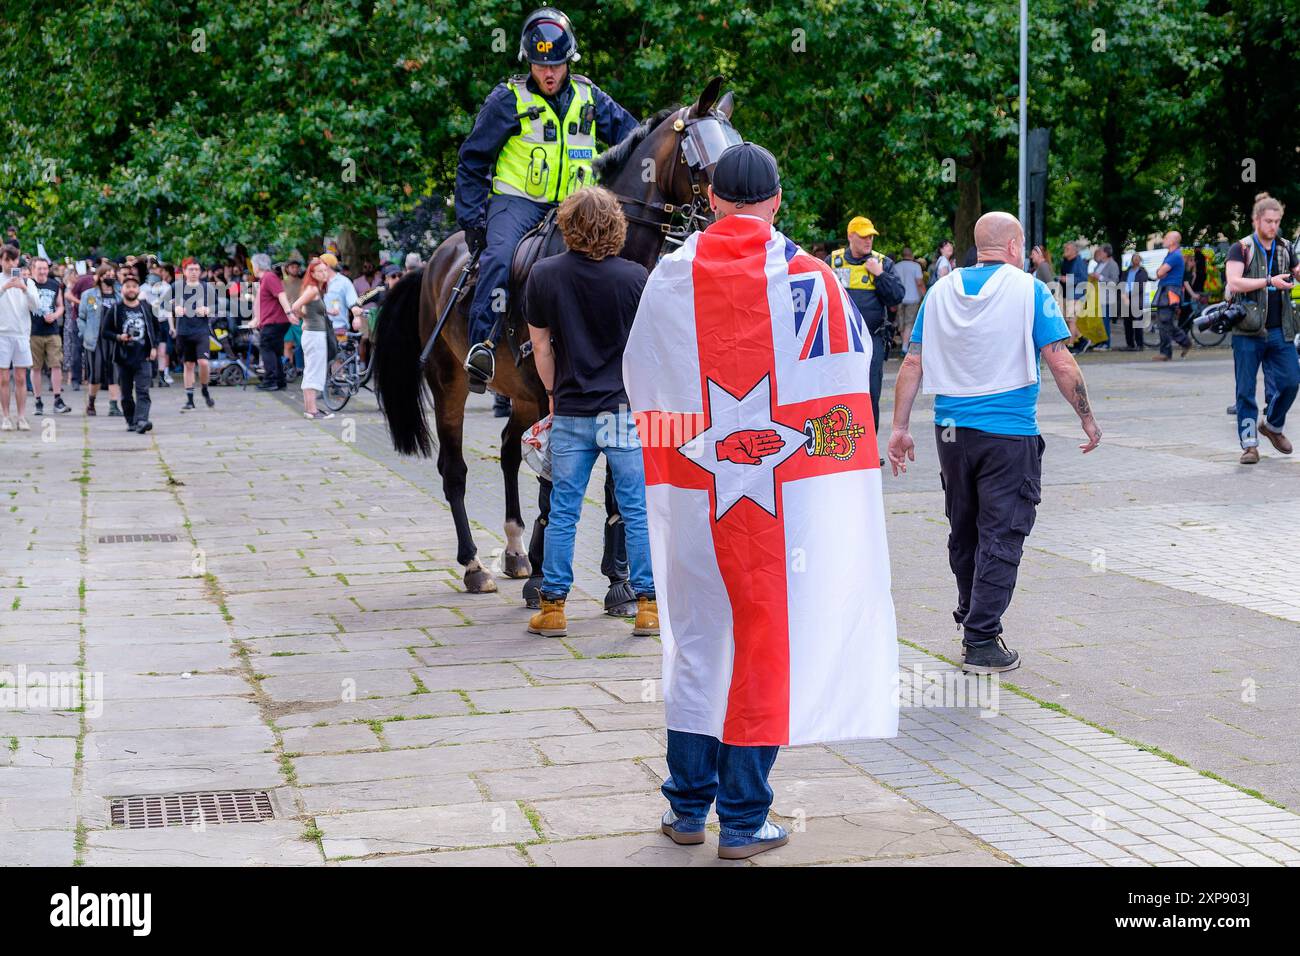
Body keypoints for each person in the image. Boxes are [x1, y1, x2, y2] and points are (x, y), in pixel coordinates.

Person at [624, 143, 899, 860]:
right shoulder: (812, 280)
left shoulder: (669, 278)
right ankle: (744, 820)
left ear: (711, 199)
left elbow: (644, 378)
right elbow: (850, 375)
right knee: (765, 643)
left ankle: (686, 810)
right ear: (777, 199)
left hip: (694, 489)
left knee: (693, 640)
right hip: (783, 504)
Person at [888, 211, 1101, 674]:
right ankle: (982, 640)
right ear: (1012, 246)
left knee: (965, 530)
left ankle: (972, 615)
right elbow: (1061, 361)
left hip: (950, 433)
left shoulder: (939, 292)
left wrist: (899, 428)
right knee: (1002, 532)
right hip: (1009, 434)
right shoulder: (1031, 290)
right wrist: (1087, 418)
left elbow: (912, 362)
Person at [455, 6, 639, 390]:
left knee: (622, 263)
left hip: (579, 207)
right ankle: (482, 346)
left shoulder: (591, 98)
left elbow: (635, 139)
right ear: (528, 62)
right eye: (540, 65)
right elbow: (472, 160)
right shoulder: (507, 100)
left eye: (556, 64)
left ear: (568, 61)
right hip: (517, 203)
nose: (549, 73)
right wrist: (473, 221)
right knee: (499, 258)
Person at [522, 187, 657, 641]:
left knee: (563, 510)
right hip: (622, 410)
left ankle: (554, 608)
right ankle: (648, 607)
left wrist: (553, 393)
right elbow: (647, 349)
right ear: (616, 225)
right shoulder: (635, 277)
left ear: (568, 225)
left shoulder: (543, 275)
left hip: (573, 410)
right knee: (637, 511)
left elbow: (541, 347)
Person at [1225, 193, 1300, 465]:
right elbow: (1233, 283)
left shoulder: (1285, 246)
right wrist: (1269, 280)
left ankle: (1273, 426)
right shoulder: (1241, 248)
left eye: (1277, 221)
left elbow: (1296, 270)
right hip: (1248, 330)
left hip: (1281, 329)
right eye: (1268, 221)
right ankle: (1249, 446)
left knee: (1292, 380)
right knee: (1245, 391)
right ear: (1256, 219)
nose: (1273, 226)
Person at [827, 217, 904, 432]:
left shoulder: (882, 263)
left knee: (871, 391)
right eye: (863, 236)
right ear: (851, 236)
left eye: (871, 236)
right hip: (841, 340)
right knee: (840, 391)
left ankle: (868, 449)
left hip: (873, 337)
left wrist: (879, 275)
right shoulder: (833, 262)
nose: (868, 240)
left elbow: (896, 297)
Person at [102, 270, 157, 434]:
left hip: (143, 356)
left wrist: (153, 347)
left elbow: (155, 329)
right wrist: (119, 337)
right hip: (123, 357)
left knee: (143, 391)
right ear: (122, 289)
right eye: (128, 286)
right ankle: (131, 420)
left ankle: (141, 420)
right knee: (126, 394)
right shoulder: (116, 309)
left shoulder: (146, 308)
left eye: (134, 286)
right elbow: (105, 332)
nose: (131, 289)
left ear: (138, 289)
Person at [288, 257, 335, 420]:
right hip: (314, 334)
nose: (324, 273)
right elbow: (295, 306)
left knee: (311, 371)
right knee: (314, 371)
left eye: (325, 270)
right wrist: (303, 318)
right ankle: (312, 410)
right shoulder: (313, 289)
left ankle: (310, 409)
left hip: (313, 333)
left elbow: (304, 308)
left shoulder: (314, 289)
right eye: (320, 271)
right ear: (313, 273)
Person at [0, 244, 40, 431]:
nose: (10, 264)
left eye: (13, 260)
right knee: (3, 378)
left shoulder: (28, 282)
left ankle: (22, 416)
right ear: (1, 261)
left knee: (21, 378)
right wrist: (4, 288)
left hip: (21, 334)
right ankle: (6, 416)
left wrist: (23, 288)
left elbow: (36, 307)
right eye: (6, 260)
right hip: (2, 334)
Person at [78, 264, 124, 417]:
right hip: (95, 339)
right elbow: (81, 317)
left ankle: (113, 405)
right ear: (99, 276)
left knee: (114, 373)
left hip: (114, 339)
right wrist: (85, 334)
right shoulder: (89, 295)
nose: (110, 277)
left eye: (112, 274)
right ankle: (91, 402)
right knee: (96, 374)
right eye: (106, 274)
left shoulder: (119, 295)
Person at [28, 256, 71, 415]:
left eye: (45, 268)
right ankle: (38, 400)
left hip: (52, 331)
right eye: (39, 268)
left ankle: (57, 399)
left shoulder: (54, 284)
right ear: (33, 269)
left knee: (56, 365)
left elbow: (60, 306)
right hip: (33, 331)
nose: (42, 271)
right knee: (36, 367)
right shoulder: (28, 284)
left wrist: (55, 315)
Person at [173, 257, 216, 410]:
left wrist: (207, 310)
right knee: (189, 365)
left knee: (204, 362)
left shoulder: (207, 288)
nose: (194, 272)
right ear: (184, 271)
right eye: (190, 269)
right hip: (184, 332)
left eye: (197, 269)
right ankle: (190, 399)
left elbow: (216, 306)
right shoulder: (176, 287)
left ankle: (204, 388)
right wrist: (175, 308)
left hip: (201, 331)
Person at [251, 253, 291, 391]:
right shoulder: (265, 279)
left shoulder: (269, 277)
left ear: (257, 265)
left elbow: (281, 295)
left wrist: (289, 312)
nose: (252, 268)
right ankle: (280, 381)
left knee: (266, 347)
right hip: (273, 320)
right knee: (274, 350)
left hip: (274, 321)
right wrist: (257, 319)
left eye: (253, 265)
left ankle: (270, 380)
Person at [1152, 230, 1192, 362]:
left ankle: (1170, 350)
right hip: (1167, 290)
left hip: (1169, 291)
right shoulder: (1171, 254)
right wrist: (1161, 272)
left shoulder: (1174, 256)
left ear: (1173, 241)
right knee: (1164, 322)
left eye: (1166, 237)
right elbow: (1161, 272)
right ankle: (1179, 345)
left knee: (1165, 321)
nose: (1163, 239)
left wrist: (1161, 272)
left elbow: (1160, 272)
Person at [64, 262, 96, 392]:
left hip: (93, 321)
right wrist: (81, 303)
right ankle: (76, 380)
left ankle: (91, 378)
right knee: (77, 350)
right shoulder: (84, 280)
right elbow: (68, 295)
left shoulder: (98, 283)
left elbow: (93, 301)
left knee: (92, 351)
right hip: (79, 319)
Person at [1058, 241, 1090, 351]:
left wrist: (1068, 279)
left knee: (1071, 320)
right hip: (1067, 295)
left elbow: (1084, 280)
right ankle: (1082, 339)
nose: (1065, 250)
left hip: (1077, 296)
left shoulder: (1080, 262)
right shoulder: (1065, 261)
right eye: (1065, 248)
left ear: (1074, 251)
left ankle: (1070, 345)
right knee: (1068, 320)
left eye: (1067, 249)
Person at [894, 246, 926, 349]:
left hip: (899, 298)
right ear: (911, 255)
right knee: (909, 323)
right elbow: (920, 283)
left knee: (901, 323)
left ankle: (904, 344)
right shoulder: (916, 266)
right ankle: (904, 347)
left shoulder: (896, 266)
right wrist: (925, 295)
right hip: (913, 298)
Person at [1091, 243, 1119, 352]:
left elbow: (1114, 281)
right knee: (1098, 321)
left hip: (1106, 297)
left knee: (1105, 321)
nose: (1100, 253)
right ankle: (1099, 342)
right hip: (1097, 296)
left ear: (1107, 253)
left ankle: (1106, 344)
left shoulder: (1113, 265)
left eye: (1101, 252)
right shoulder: (1100, 264)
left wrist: (1100, 277)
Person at [1120, 252, 1149, 351]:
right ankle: (1130, 344)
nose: (1136, 261)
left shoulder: (1142, 272)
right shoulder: (1127, 271)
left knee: (1137, 323)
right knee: (1127, 324)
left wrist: (1129, 294)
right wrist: (1123, 293)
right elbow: (1122, 282)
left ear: (1140, 260)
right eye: (1134, 259)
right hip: (1125, 299)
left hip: (1136, 300)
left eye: (1137, 259)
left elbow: (1140, 286)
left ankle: (1140, 344)